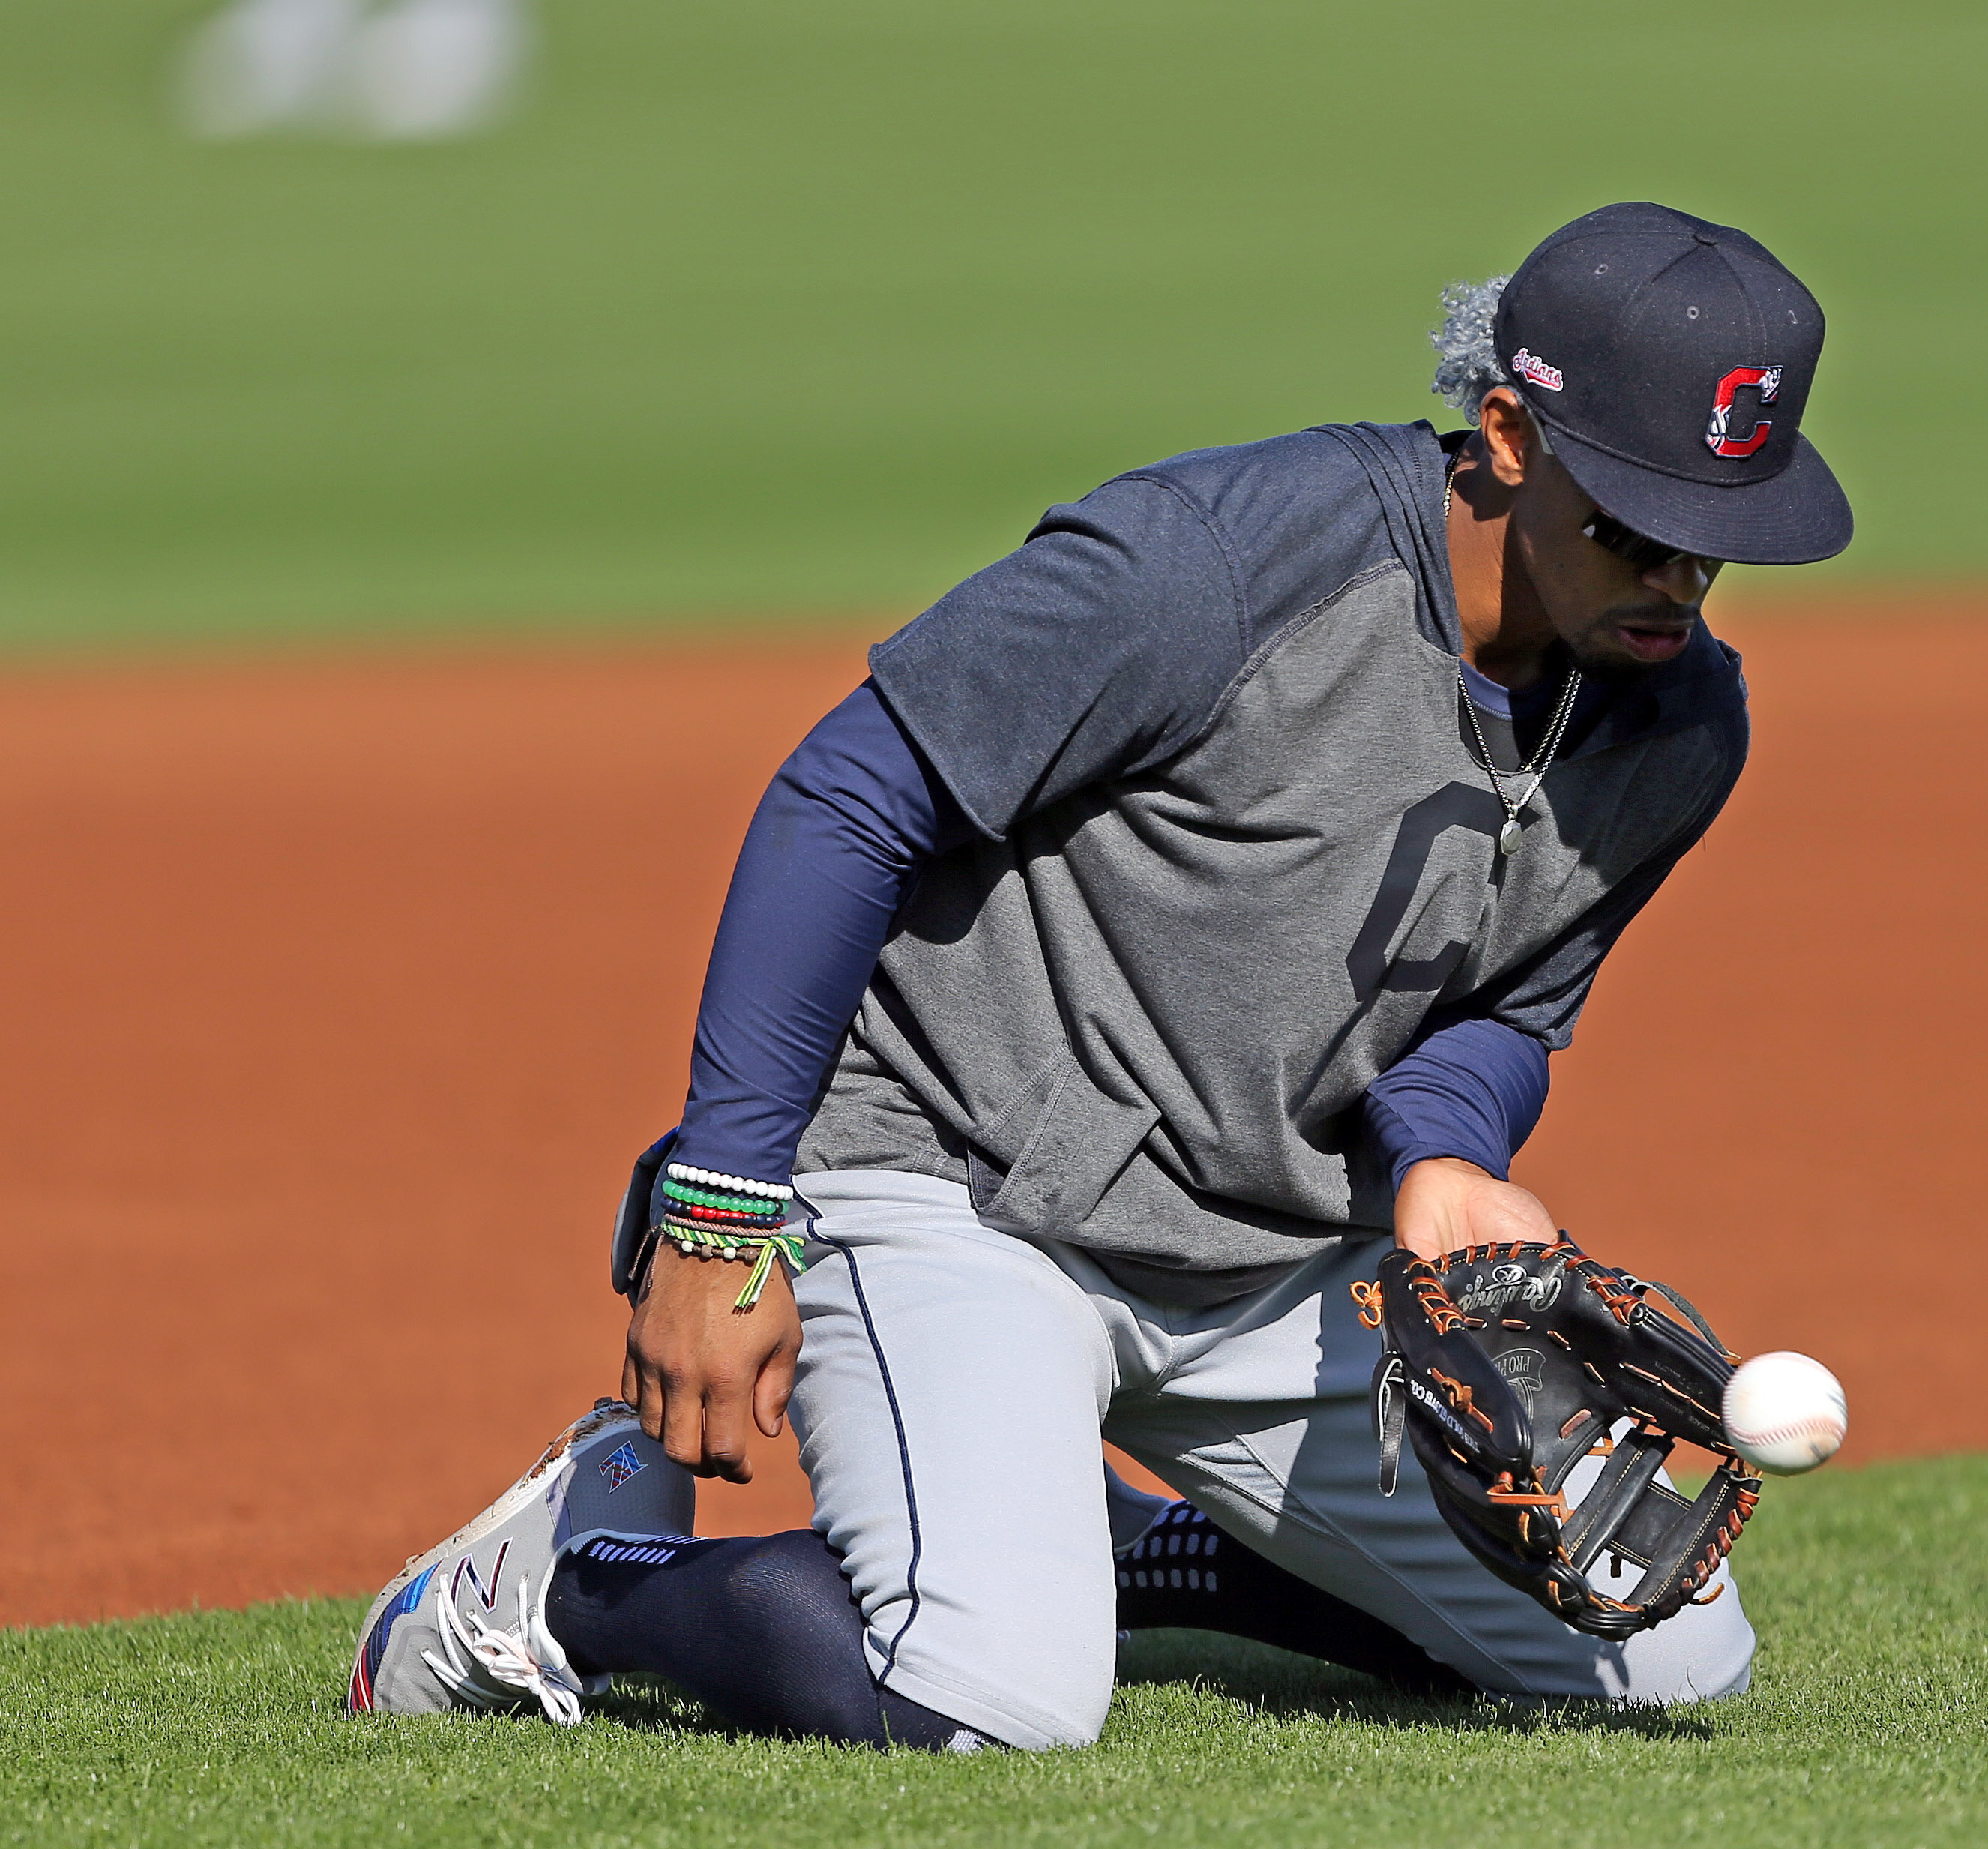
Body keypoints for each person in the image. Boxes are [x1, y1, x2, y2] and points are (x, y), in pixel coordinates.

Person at [345, 201, 1852, 1751]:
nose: (1681, 579)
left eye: (1719, 544)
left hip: (1261, 1262)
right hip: (955, 1182)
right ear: (1510, 438)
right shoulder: (1219, 565)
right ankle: (572, 1579)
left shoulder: (1682, 726)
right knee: (989, 1699)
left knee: (1660, 1652)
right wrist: (721, 1205)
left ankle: (1128, 1546)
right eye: (1638, 527)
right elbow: (847, 795)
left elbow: (1506, 1011)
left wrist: (1451, 1159)